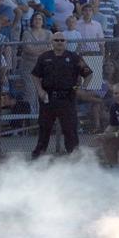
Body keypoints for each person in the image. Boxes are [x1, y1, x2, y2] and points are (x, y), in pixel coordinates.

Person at [26, 29, 85, 157]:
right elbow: (35, 75)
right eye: (56, 40)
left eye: (62, 40)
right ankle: (39, 156)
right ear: (51, 42)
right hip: (48, 98)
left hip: (67, 97)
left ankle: (74, 156)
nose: (59, 42)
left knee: (70, 129)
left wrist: (81, 88)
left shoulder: (74, 57)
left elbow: (88, 73)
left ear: (66, 42)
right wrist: (40, 90)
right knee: (44, 128)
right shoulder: (44, 57)